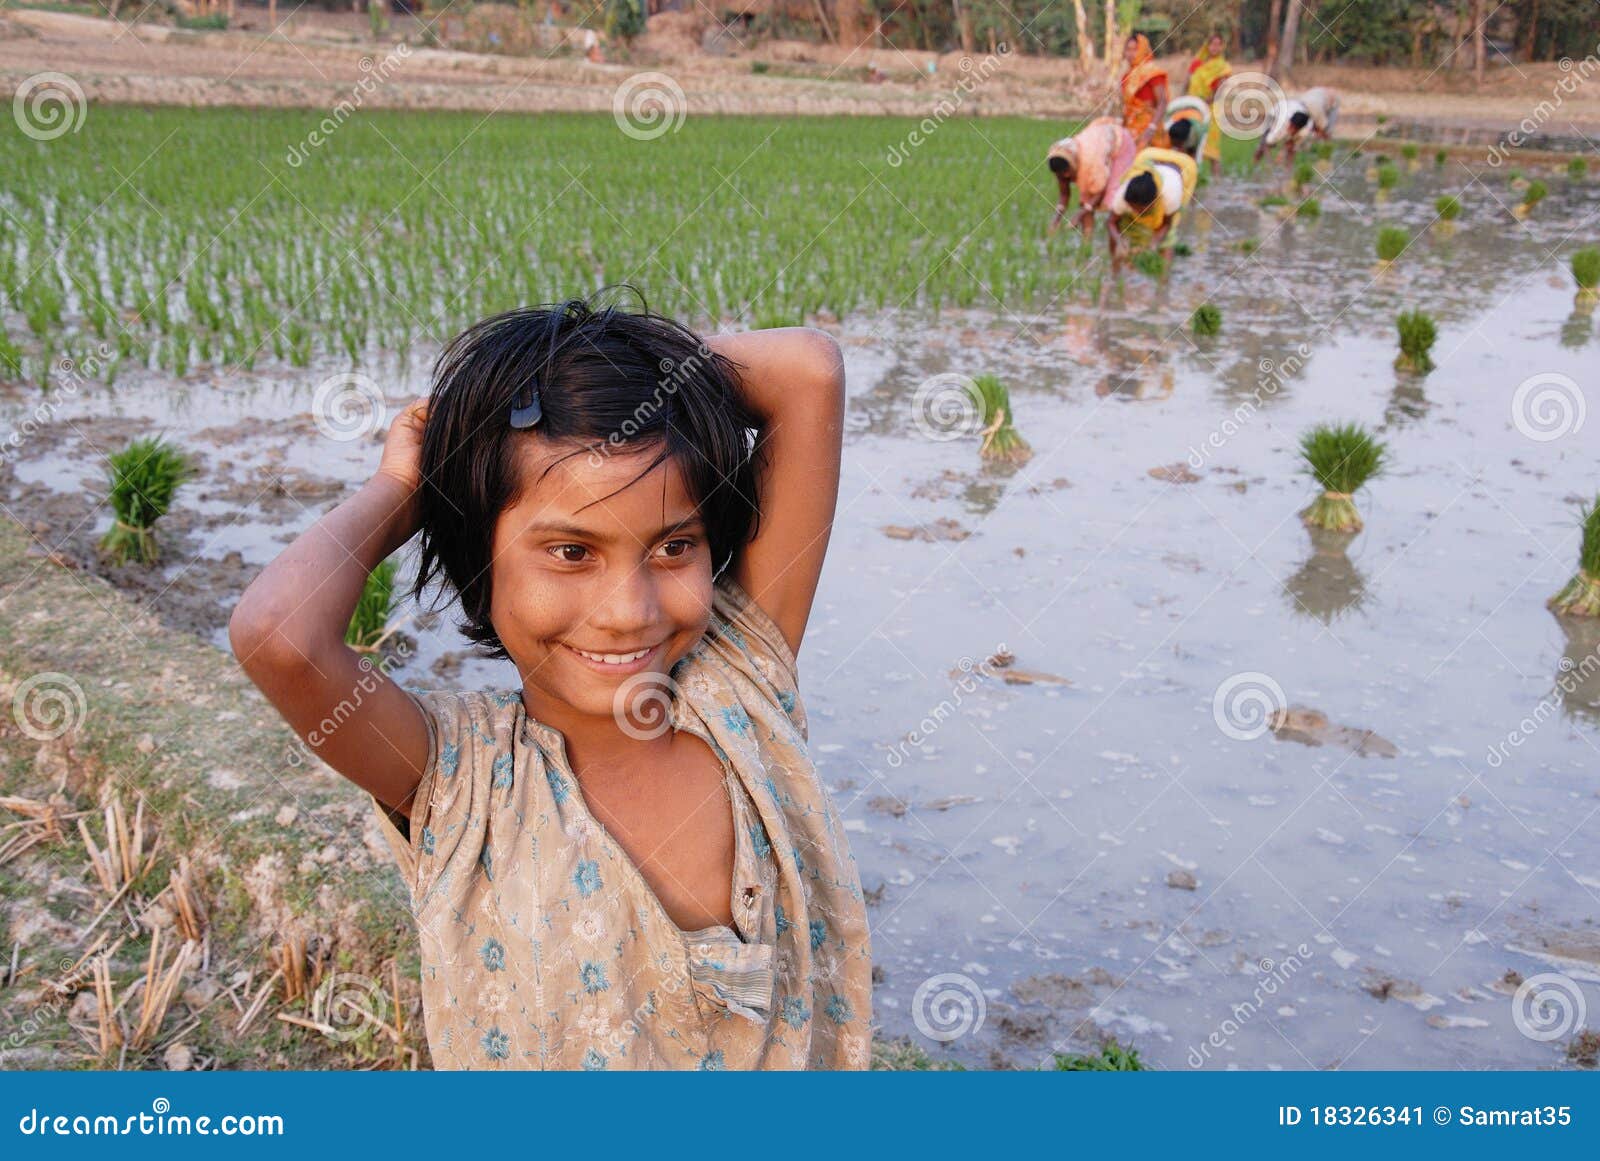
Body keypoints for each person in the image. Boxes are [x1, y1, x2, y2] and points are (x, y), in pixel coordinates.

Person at [229, 292, 872, 1070]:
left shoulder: (740, 683)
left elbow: (808, 372)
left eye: (674, 546)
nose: (629, 612)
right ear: (479, 558)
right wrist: (411, 482)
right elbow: (278, 636)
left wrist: (587, 372)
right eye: (572, 552)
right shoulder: (460, 783)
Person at [1105, 146, 1199, 267]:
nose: (1136, 212)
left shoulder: (1170, 196)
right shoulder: (1123, 195)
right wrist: (1118, 240)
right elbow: (1111, 222)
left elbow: (1167, 223)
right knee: (1122, 230)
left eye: (1141, 209)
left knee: (1167, 241)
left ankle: (1163, 281)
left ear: (1154, 202)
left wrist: (1155, 242)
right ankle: (1115, 273)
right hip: (1150, 156)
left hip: (1182, 166)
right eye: (1133, 208)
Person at [1047, 116, 1137, 236]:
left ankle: (1118, 236)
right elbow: (1064, 194)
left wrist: (1079, 214)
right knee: (1085, 200)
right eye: (1062, 175)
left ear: (1073, 163)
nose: (1066, 176)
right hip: (1099, 143)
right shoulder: (1060, 162)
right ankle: (1087, 239)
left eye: (1068, 172)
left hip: (1120, 145)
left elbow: (1101, 190)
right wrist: (1056, 220)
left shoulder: (1090, 161)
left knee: (1114, 198)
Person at [1256, 85, 1341, 164]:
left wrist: (1323, 136)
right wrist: (1271, 160)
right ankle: (1259, 156)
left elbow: (1323, 131)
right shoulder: (1286, 118)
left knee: (1326, 134)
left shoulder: (1315, 117)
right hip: (1312, 96)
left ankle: (1327, 159)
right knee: (1268, 141)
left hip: (1331, 99)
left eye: (1294, 129)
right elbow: (1275, 138)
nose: (1291, 130)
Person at [1186, 32, 1232, 176]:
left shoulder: (1222, 67)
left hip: (1211, 108)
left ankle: (1216, 180)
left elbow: (1221, 89)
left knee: (1212, 146)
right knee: (1191, 144)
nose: (1215, 48)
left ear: (1222, 47)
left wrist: (1206, 101)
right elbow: (1187, 83)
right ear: (1207, 46)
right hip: (1193, 106)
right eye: (1212, 44)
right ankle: (1192, 177)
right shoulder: (1197, 64)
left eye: (1218, 45)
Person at [1120, 33, 1169, 149]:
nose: (1131, 54)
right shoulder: (1127, 76)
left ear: (1143, 50)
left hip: (1149, 128)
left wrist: (1152, 127)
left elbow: (1163, 102)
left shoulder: (1152, 72)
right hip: (1130, 128)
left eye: (1135, 49)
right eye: (1128, 49)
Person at [1162, 95, 1211, 162]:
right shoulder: (1168, 127)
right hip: (1179, 106)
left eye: (1177, 145)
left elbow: (1198, 155)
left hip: (1201, 110)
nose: (1176, 147)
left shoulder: (1198, 132)